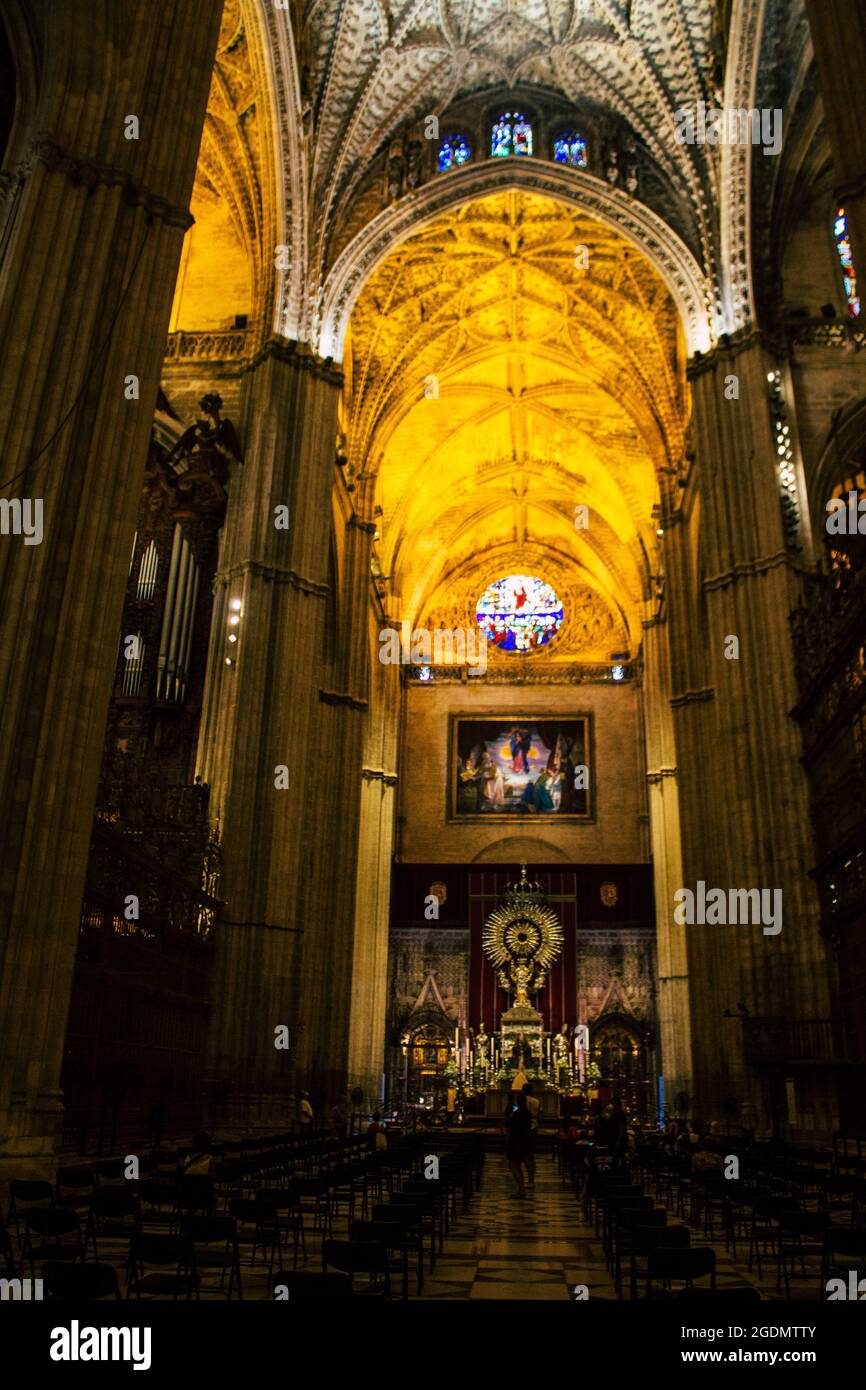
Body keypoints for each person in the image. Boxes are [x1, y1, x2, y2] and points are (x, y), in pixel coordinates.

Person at [506, 1090, 533, 1198]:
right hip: (524, 1140)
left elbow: (512, 1127)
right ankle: (521, 1189)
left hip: (516, 1141)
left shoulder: (517, 1113)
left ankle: (521, 1189)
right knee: (517, 1165)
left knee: (513, 1165)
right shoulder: (527, 1113)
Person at [524, 1082, 540, 1188]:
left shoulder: (521, 1100)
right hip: (533, 1127)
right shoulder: (536, 1101)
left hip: (523, 1128)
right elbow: (539, 1115)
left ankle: (523, 1181)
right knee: (530, 1154)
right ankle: (531, 1179)